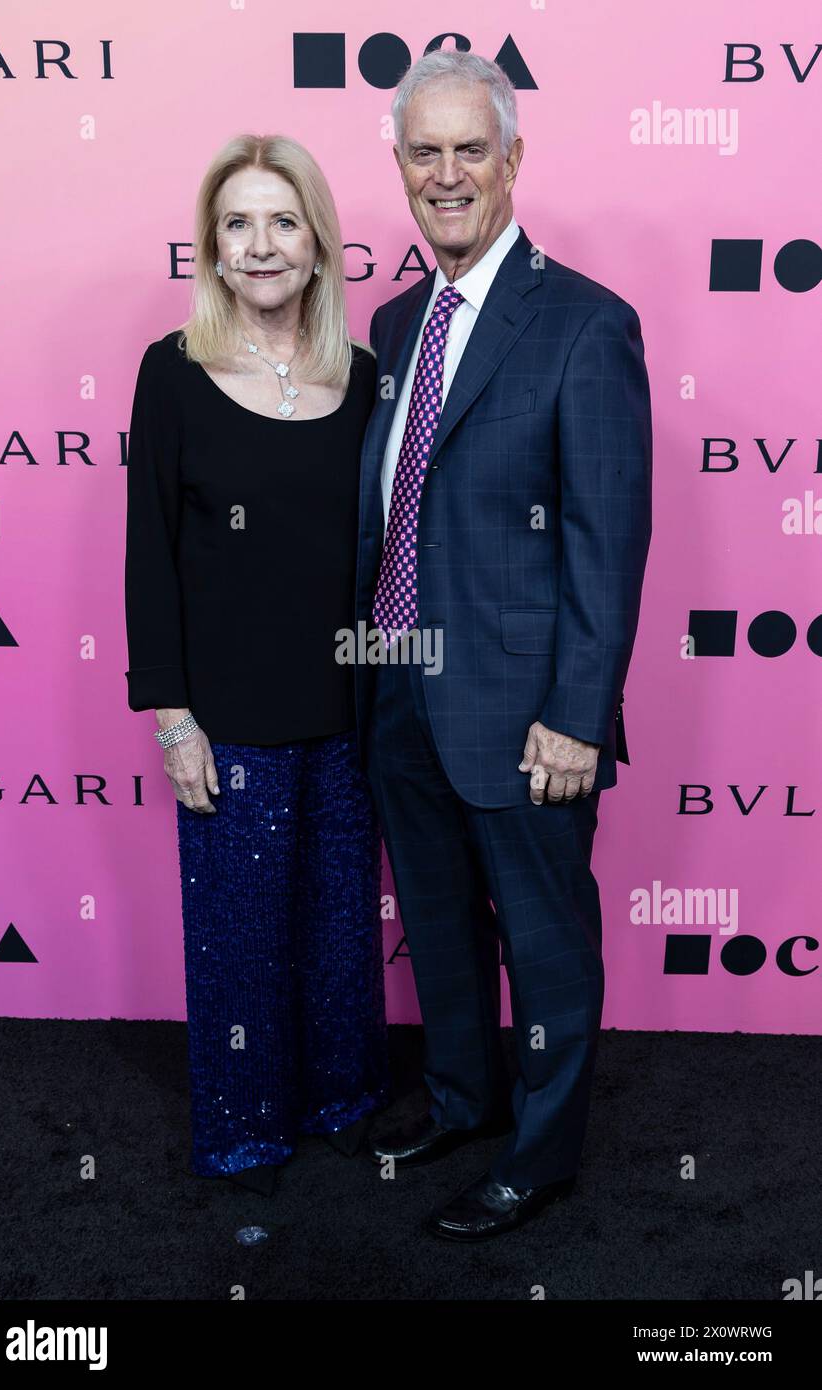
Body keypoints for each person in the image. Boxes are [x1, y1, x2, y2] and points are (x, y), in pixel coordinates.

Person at [355, 50, 653, 1239]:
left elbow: (605, 539)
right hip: (398, 692)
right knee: (435, 923)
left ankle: (540, 1154)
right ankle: (461, 1098)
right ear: (399, 165)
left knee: (543, 943)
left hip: (527, 711)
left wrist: (576, 715)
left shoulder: (584, 323)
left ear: (512, 158)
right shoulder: (392, 323)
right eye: (422, 151)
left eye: (468, 149)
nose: (445, 174)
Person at [124, 134, 390, 1198]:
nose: (262, 243)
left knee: (339, 930)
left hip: (351, 711)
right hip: (228, 719)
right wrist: (173, 717)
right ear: (212, 246)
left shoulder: (363, 379)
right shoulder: (172, 372)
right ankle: (244, 1130)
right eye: (238, 222)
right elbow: (148, 554)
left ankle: (341, 1098)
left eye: (284, 220)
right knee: (239, 941)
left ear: (319, 242)